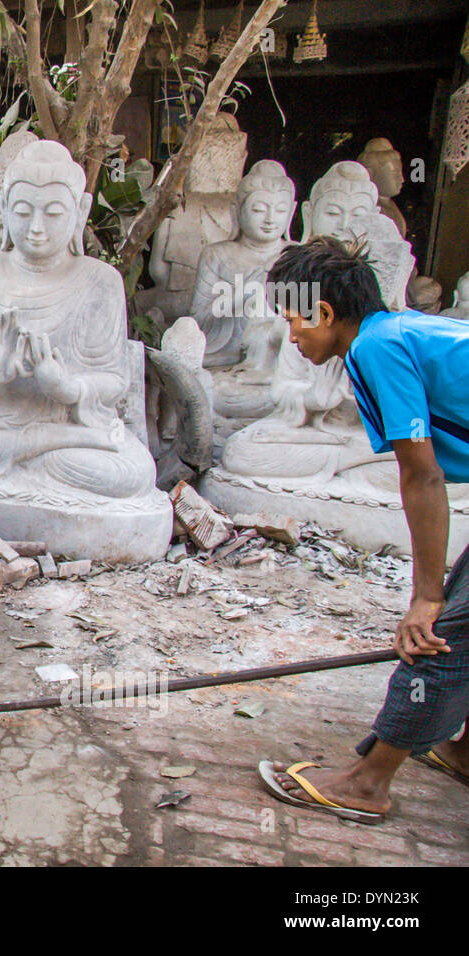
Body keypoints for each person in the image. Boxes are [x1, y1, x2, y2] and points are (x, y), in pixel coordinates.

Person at [258, 237, 469, 824]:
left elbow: (422, 477)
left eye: (293, 321)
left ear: (325, 314)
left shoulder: (376, 348)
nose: (292, 338)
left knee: (441, 632)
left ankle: (366, 782)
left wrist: (425, 598)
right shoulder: (397, 332)